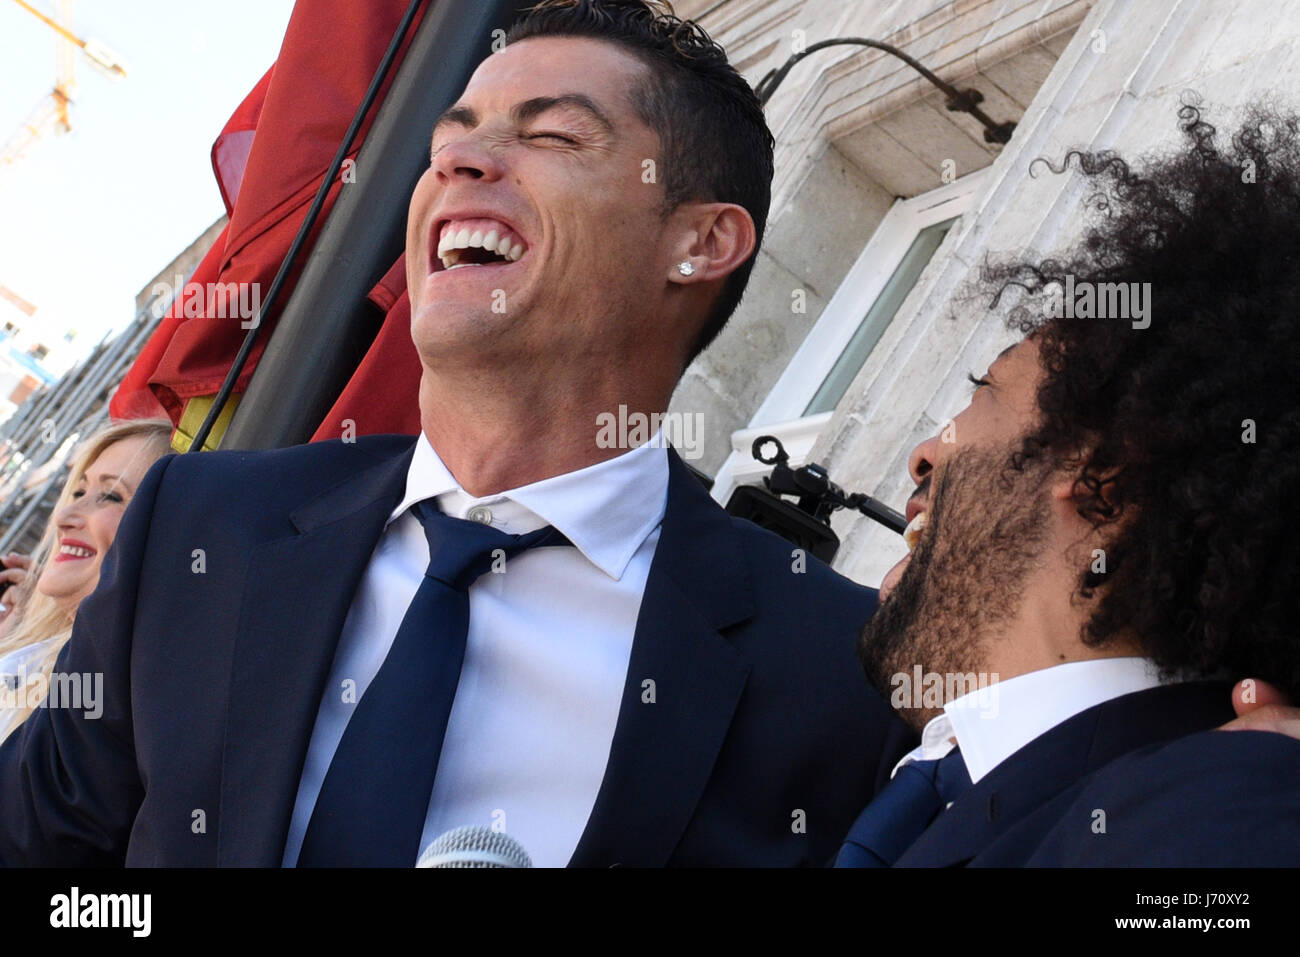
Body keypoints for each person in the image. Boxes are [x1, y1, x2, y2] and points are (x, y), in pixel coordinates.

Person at [0, 0, 913, 867]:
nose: (461, 163)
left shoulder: (844, 673)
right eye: (452, 137)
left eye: (552, 135)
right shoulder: (200, 522)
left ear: (702, 243)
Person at [838, 101, 1300, 867]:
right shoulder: (936, 784)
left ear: (1101, 484)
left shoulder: (1220, 814)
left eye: (985, 390)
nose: (923, 455)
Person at [0, 419, 173, 743]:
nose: (64, 518)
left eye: (110, 496)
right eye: (78, 491)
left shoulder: (116, 691)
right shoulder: (38, 652)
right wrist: (20, 633)